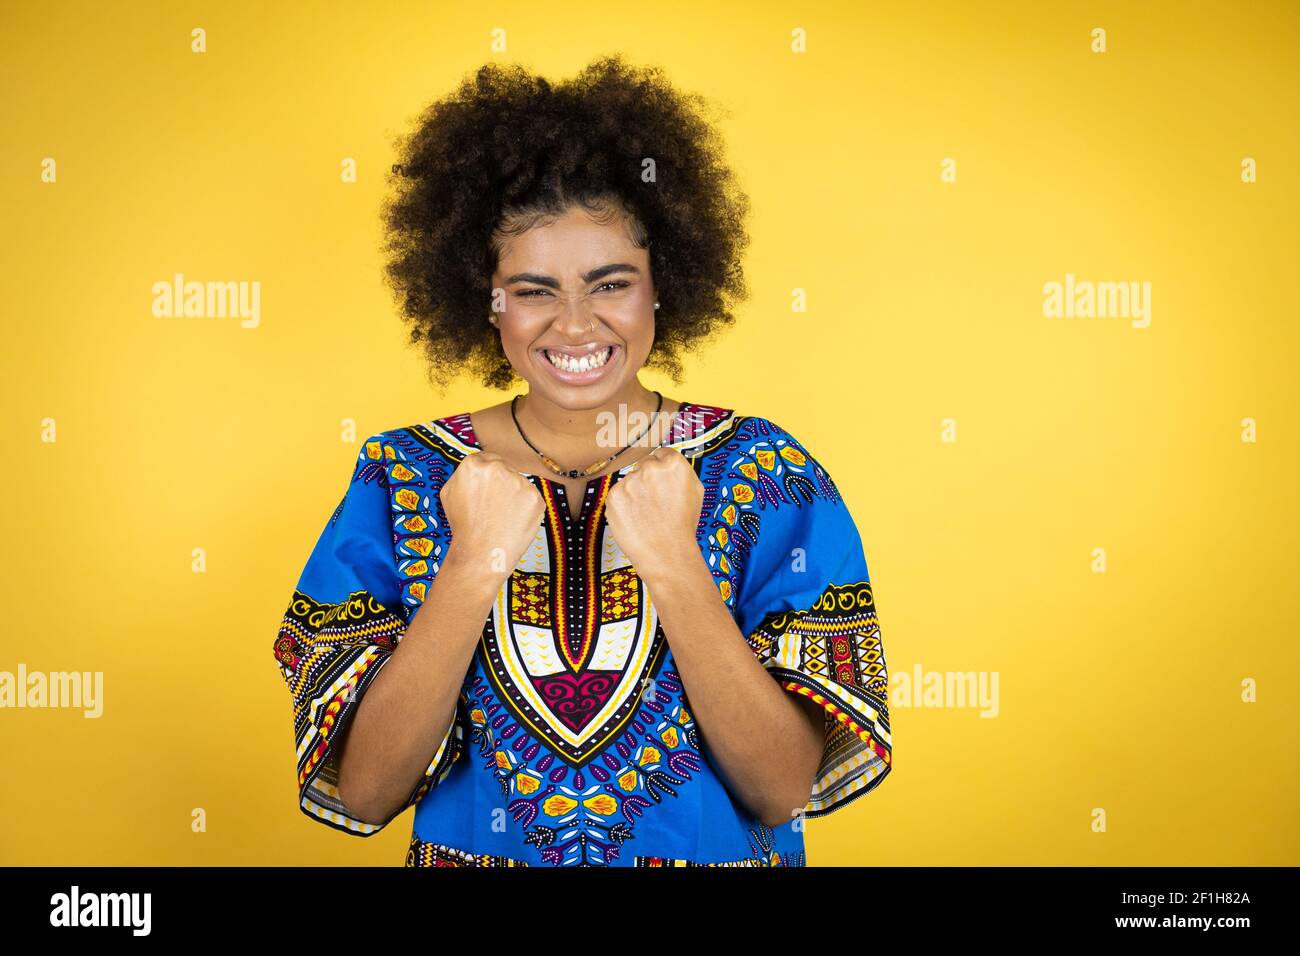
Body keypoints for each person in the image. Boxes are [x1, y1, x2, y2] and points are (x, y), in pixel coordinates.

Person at [272, 54, 892, 867]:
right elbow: (365, 792)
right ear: (481, 299)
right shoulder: (401, 475)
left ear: (661, 285)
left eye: (610, 283)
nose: (573, 324)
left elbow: (781, 788)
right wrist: (469, 566)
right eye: (532, 290)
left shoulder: (765, 471)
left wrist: (675, 564)